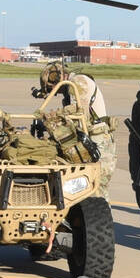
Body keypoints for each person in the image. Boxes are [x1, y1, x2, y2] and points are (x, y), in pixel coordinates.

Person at [33, 60, 116, 196]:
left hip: (97, 141)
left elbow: (78, 113)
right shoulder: (74, 84)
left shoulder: (78, 82)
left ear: (57, 77)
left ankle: (99, 217)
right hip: (89, 140)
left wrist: (51, 118)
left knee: (96, 190)